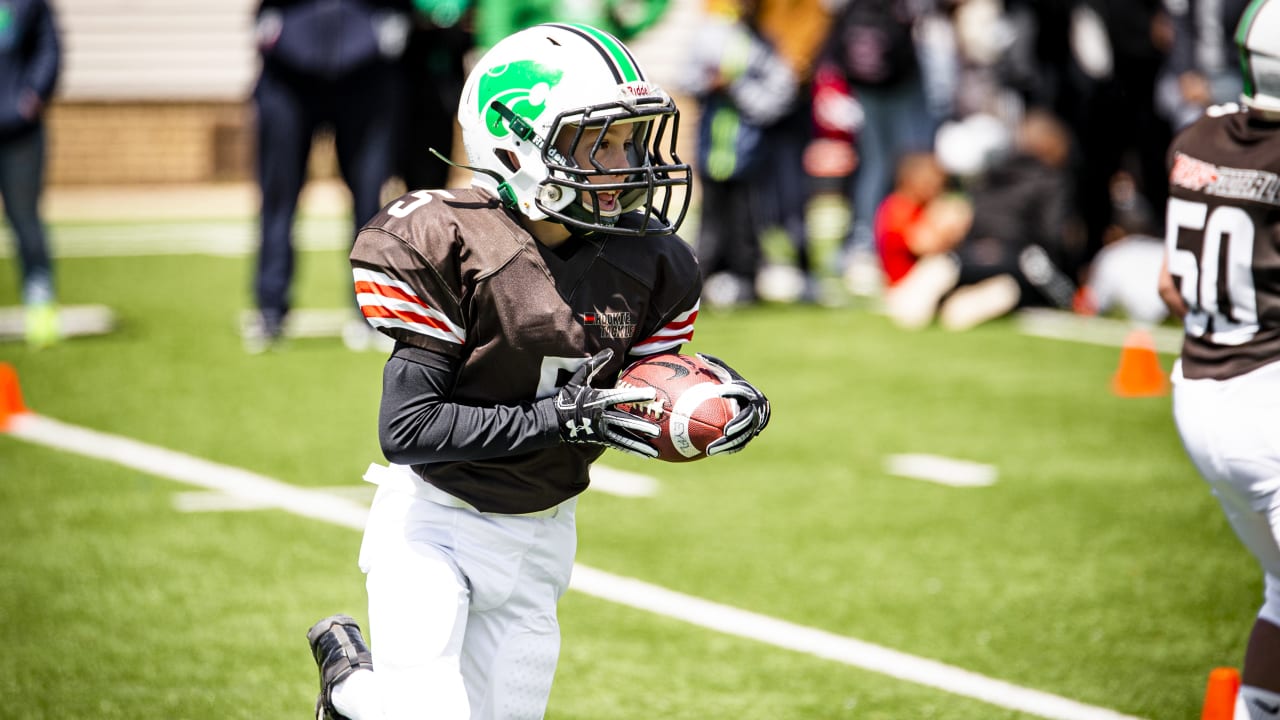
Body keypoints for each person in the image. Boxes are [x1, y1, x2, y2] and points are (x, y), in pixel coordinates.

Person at [305, 23, 771, 720]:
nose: (625, 163)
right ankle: (352, 689)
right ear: (516, 140)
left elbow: (650, 386)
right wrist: (565, 417)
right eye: (599, 143)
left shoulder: (652, 260)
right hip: (435, 518)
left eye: (628, 140)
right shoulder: (450, 239)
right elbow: (407, 429)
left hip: (543, 529)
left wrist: (708, 401)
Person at [1157, 2, 1280, 716]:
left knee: (1279, 592)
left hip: (1199, 393)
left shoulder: (1196, 137)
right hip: (1267, 397)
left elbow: (1171, 285)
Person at [248, 0, 410, 352]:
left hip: (366, 66)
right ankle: (270, 309)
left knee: (371, 202)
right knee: (278, 198)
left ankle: (371, 313)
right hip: (288, 69)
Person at [886, 108, 1079, 331]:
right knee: (1038, 281)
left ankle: (951, 283)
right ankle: (1004, 293)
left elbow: (974, 209)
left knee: (958, 266)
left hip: (973, 249)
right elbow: (1053, 233)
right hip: (1018, 255)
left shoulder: (993, 170)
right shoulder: (1053, 181)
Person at [683, 0, 798, 308]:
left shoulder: (764, 44)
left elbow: (780, 95)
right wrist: (710, 83)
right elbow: (688, 77)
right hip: (713, 152)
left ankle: (746, 283)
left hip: (747, 154)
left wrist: (736, 89)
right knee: (709, 227)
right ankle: (697, 286)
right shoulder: (712, 34)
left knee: (745, 224)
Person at [0, 0, 60, 348]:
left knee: (25, 218)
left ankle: (40, 302)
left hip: (20, 131)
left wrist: (33, 95)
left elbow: (50, 49)